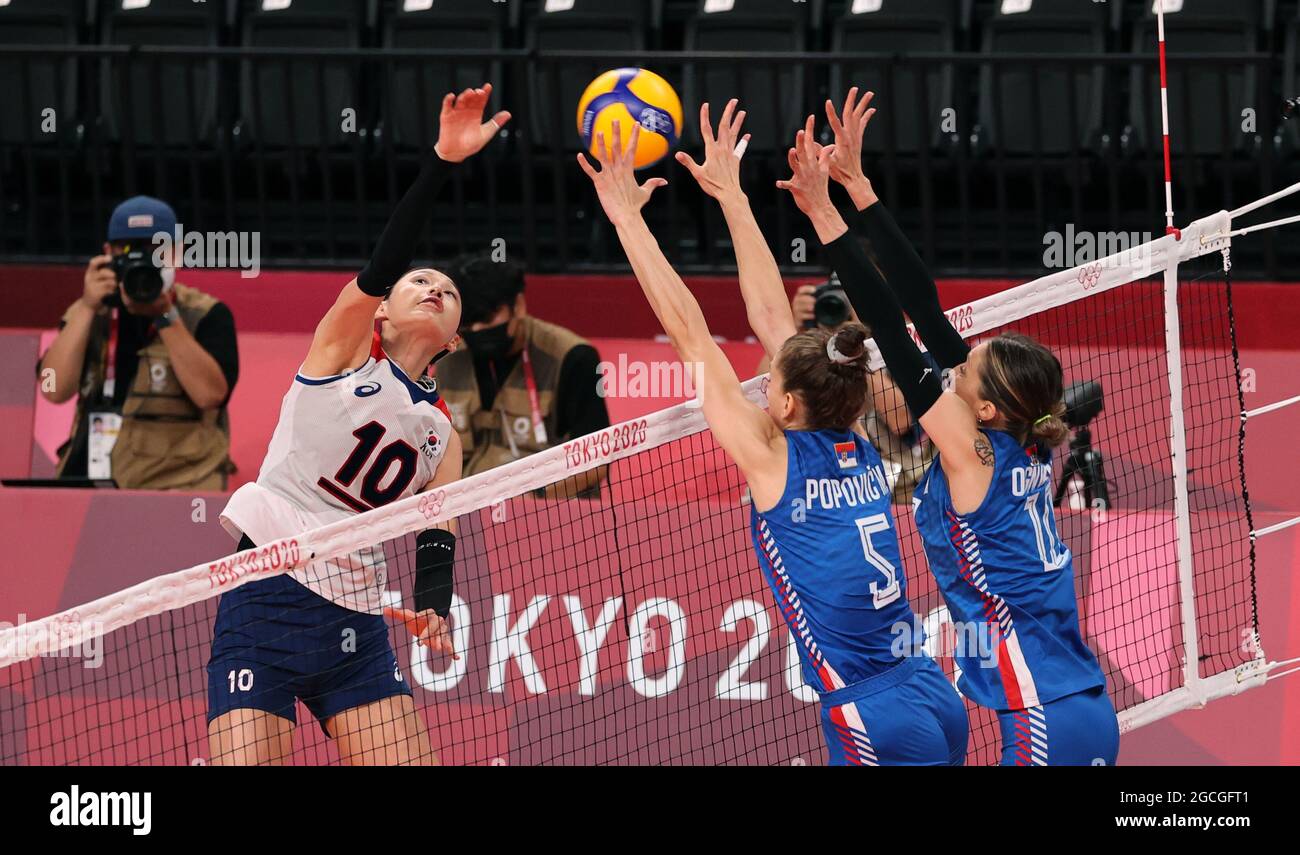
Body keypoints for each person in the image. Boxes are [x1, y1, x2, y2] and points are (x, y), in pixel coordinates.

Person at [581, 108, 967, 766]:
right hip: (932, 690)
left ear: (785, 402)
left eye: (769, 376)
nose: (762, 372)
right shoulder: (857, 438)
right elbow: (768, 315)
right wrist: (731, 196)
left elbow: (689, 334)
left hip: (873, 709)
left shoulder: (771, 461)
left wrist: (628, 220)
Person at [779, 89, 1118, 766]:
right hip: (1078, 707)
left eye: (969, 369)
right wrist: (860, 188)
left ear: (985, 408)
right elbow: (926, 309)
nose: (956, 364)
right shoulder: (1016, 443)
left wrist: (823, 214)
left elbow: (899, 334)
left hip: (1044, 715)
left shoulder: (973, 454)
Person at [207, 85, 509, 766]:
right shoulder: (338, 355)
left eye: (449, 291)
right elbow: (381, 262)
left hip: (356, 619)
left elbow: (439, 531)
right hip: (267, 595)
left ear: (456, 338)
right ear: (380, 315)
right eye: (419, 283)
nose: (434, 288)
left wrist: (433, 604)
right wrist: (441, 161)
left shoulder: (442, 435)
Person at [38, 196, 239, 490]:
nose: (143, 259)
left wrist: (165, 316)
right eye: (129, 249)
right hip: (89, 481)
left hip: (177, 484)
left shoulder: (206, 314)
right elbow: (52, 389)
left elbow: (209, 395)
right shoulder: (89, 312)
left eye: (156, 249)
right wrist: (86, 307)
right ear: (108, 253)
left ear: (178, 253)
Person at [436, 254, 610, 496]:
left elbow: (596, 462)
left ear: (518, 305)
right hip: (467, 513)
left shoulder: (572, 358)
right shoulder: (447, 358)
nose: (477, 330)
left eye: (487, 319)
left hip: (549, 511)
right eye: (468, 322)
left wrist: (529, 502)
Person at [759, 281, 935, 503]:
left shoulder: (907, 343)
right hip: (819, 470)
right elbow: (764, 387)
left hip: (893, 476)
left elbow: (899, 420)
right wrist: (797, 334)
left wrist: (854, 347)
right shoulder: (816, 345)